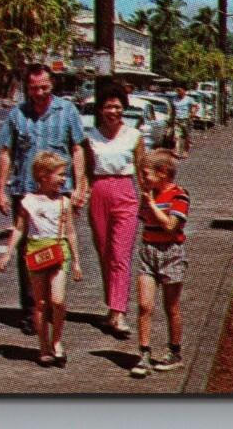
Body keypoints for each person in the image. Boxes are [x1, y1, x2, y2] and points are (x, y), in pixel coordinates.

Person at [0, 63, 88, 335]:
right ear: (27, 88)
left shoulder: (67, 111)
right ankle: (31, 311)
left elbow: (77, 148)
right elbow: (6, 153)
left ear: (53, 85)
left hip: (59, 192)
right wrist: (0, 189)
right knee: (28, 252)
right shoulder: (17, 114)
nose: (39, 93)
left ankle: (53, 305)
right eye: (34, 88)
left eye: (44, 87)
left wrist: (80, 186)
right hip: (25, 191)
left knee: (58, 248)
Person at [0, 151, 83, 367]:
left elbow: (71, 232)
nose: (64, 179)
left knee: (58, 300)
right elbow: (19, 228)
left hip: (59, 249)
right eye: (60, 175)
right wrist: (8, 253)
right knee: (41, 303)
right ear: (43, 176)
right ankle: (43, 346)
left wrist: (77, 262)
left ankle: (57, 340)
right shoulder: (28, 201)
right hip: (36, 251)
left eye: (65, 175)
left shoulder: (64, 202)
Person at [84, 81, 145, 339]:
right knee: (105, 253)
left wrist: (149, 201)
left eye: (118, 106)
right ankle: (112, 306)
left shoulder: (134, 136)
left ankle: (119, 311)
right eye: (109, 106)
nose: (114, 111)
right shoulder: (90, 137)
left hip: (126, 194)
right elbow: (86, 172)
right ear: (99, 109)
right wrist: (81, 193)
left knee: (121, 255)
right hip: (99, 192)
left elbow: (142, 172)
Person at [131, 150, 191, 378]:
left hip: (171, 253)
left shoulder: (179, 195)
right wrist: (147, 201)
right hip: (148, 252)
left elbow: (170, 225)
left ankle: (174, 352)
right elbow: (143, 220)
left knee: (171, 307)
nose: (142, 180)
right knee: (144, 305)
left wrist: (151, 205)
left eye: (145, 175)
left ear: (162, 172)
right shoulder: (150, 194)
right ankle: (143, 353)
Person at [172, 85, 195, 158]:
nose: (178, 92)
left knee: (187, 137)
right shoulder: (174, 99)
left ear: (184, 91)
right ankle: (177, 151)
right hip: (177, 120)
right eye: (177, 90)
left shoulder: (189, 99)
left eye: (180, 90)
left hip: (186, 120)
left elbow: (195, 107)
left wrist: (191, 114)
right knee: (177, 136)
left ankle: (185, 151)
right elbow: (173, 109)